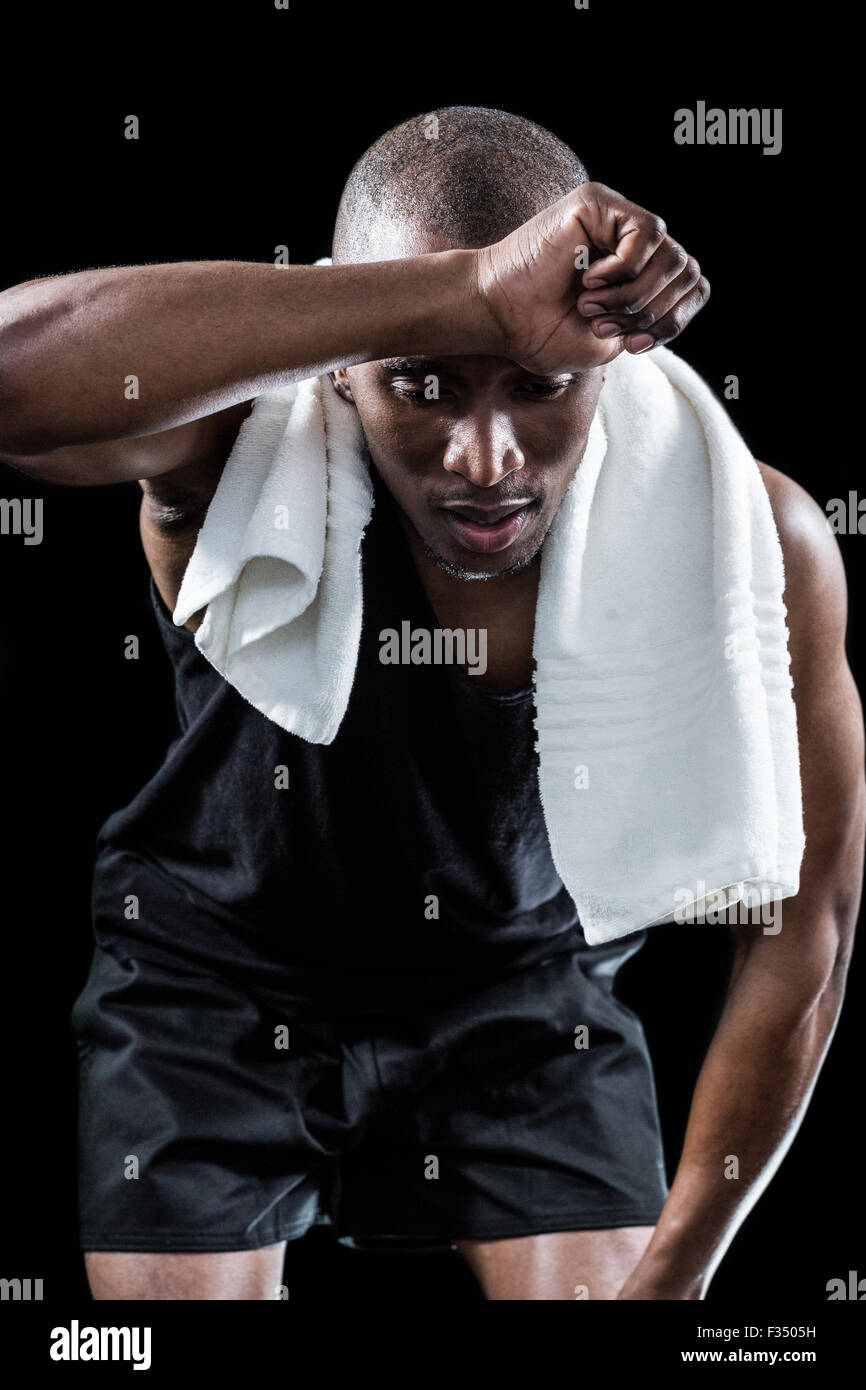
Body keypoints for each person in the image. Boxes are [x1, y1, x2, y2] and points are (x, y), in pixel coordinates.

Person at [0, 106, 862, 1301]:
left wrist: (670, 1282)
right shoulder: (233, 450)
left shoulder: (746, 532)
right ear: (343, 375)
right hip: (214, 983)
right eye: (424, 382)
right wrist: (461, 291)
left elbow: (801, 932)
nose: (484, 457)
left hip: (518, 995)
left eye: (538, 383)